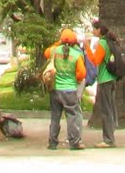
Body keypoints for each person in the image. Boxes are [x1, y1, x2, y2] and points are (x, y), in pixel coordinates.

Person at [44, 27, 87, 151]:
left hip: (55, 89)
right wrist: (74, 79)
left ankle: (52, 142)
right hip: (70, 90)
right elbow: (82, 74)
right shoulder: (76, 54)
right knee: (72, 116)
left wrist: (58, 42)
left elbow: (46, 53)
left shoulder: (54, 51)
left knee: (55, 116)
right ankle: (74, 142)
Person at [84, 20, 118, 148]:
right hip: (111, 79)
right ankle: (110, 136)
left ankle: (108, 139)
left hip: (104, 80)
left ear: (99, 30)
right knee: (110, 108)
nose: (93, 31)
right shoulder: (109, 42)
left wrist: (87, 47)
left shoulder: (102, 43)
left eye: (94, 29)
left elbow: (95, 60)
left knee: (106, 110)